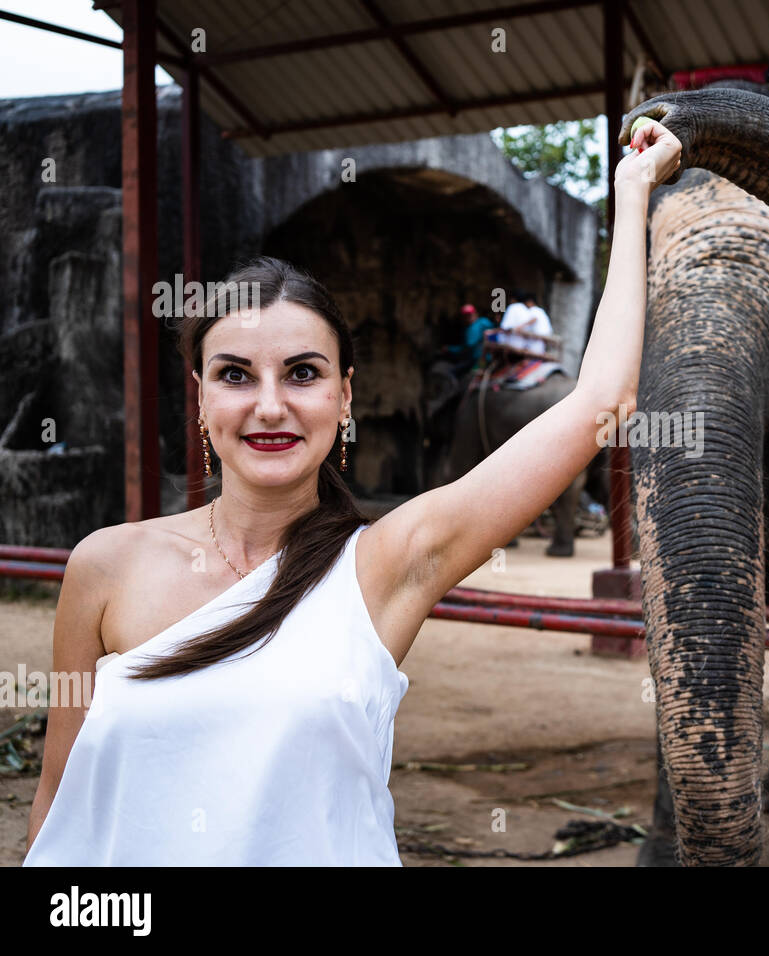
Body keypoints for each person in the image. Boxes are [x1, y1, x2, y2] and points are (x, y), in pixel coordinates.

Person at [22, 117, 682, 865]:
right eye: (237, 375)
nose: (270, 405)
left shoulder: (387, 563)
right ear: (201, 398)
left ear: (344, 398)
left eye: (302, 373)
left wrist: (632, 193)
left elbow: (602, 399)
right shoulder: (103, 566)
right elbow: (57, 802)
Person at [447, 302, 495, 373]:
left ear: (475, 313)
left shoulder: (481, 323)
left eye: (470, 314)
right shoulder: (472, 326)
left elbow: (468, 345)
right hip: (479, 358)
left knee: (455, 372)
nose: (468, 317)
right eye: (466, 315)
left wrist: (451, 349)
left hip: (480, 360)